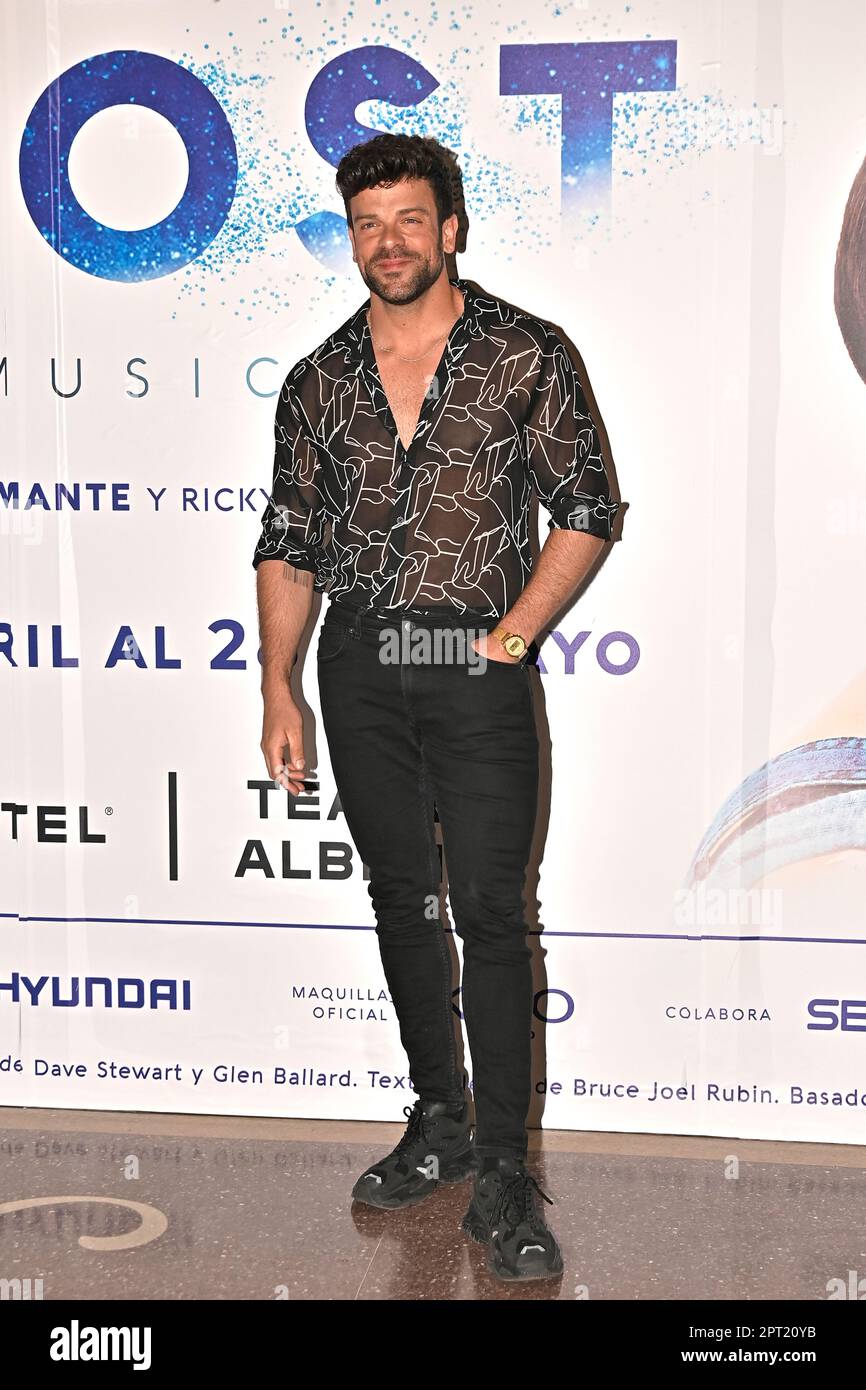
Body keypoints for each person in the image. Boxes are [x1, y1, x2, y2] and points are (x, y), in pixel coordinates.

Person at [253, 132, 622, 1282]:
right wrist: (279, 680)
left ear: (449, 226)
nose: (389, 242)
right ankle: (440, 1120)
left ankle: (506, 1171)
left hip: (474, 665)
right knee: (403, 901)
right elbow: (289, 538)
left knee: (491, 912)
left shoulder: (524, 353)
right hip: (359, 668)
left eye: (409, 219)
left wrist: (510, 636)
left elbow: (587, 506)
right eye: (367, 223)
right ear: (350, 236)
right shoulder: (318, 379)